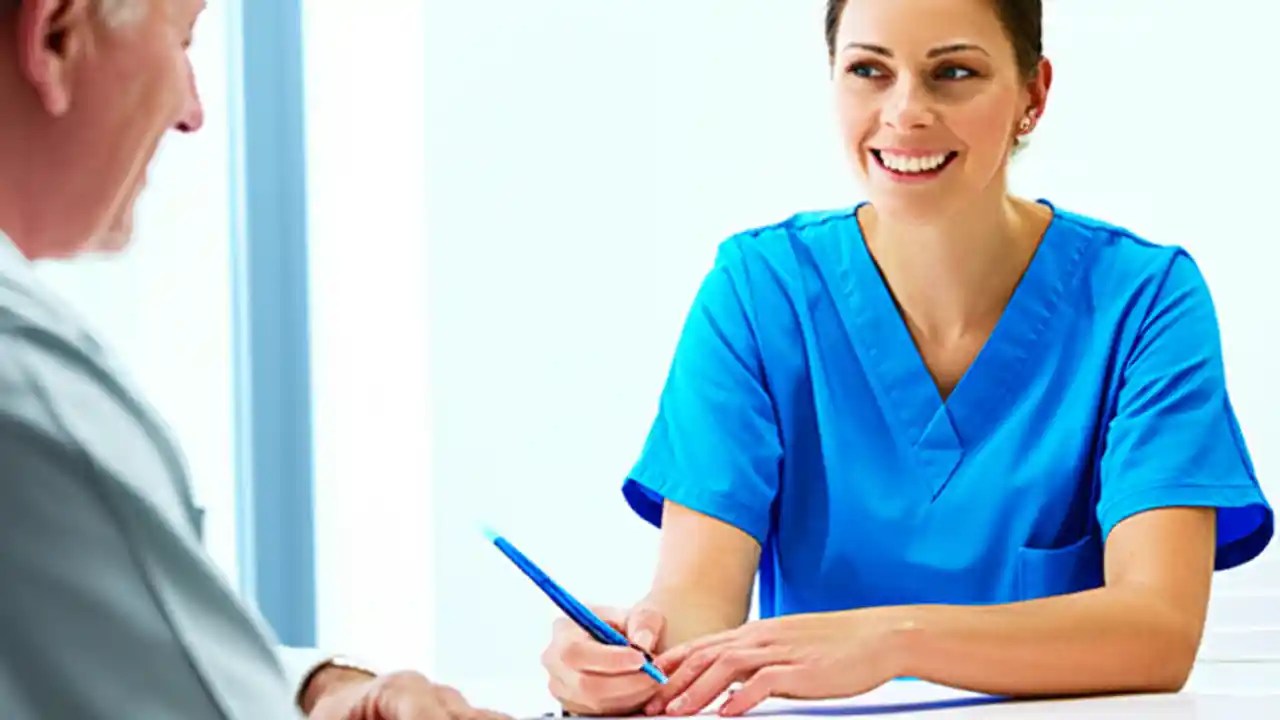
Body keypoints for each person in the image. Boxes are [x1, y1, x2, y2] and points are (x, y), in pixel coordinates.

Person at [540, 0, 1274, 715]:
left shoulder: (1143, 301)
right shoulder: (758, 293)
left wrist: (894, 640)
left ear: (1033, 94)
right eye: (868, 70)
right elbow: (698, 605)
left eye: (953, 72)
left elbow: (1156, 634)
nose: (905, 113)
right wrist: (626, 660)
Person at [0, 1, 506, 718]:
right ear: (55, 35)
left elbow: (99, 642)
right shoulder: (28, 391)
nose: (193, 111)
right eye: (182, 40)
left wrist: (312, 690)